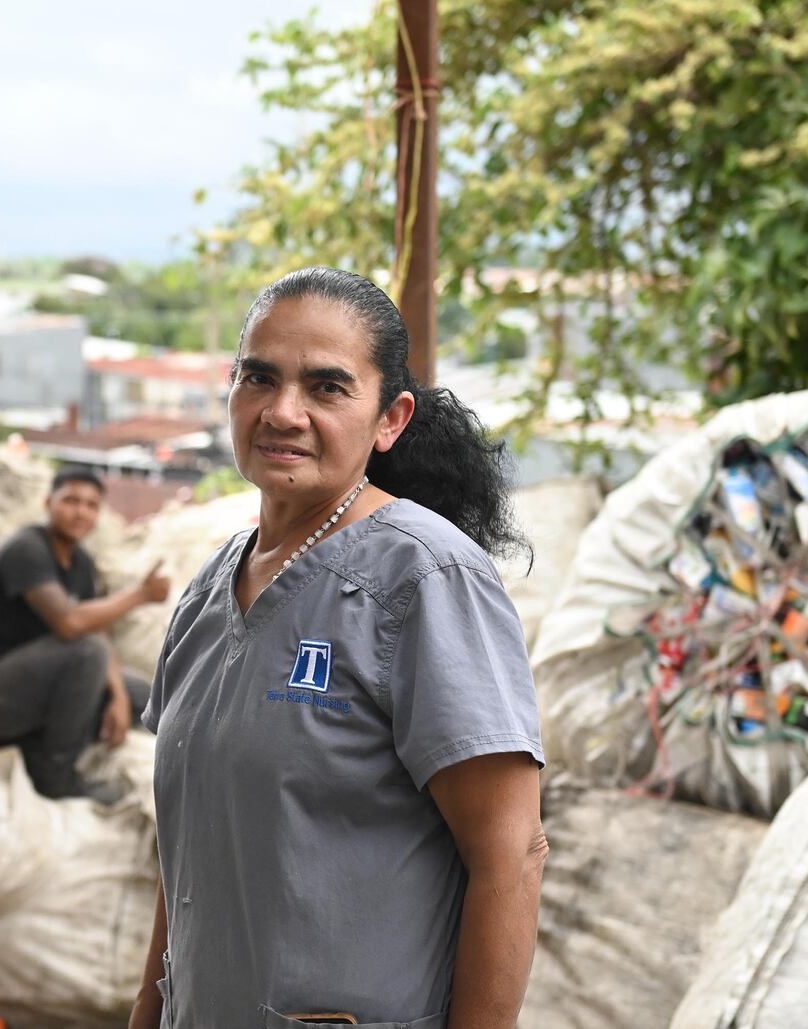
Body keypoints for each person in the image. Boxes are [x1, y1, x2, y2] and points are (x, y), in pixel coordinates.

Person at [129, 268, 548, 1029]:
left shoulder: (425, 579)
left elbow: (510, 854)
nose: (282, 412)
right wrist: (150, 1007)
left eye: (326, 387)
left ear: (390, 419)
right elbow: (192, 842)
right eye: (260, 378)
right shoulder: (207, 592)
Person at [0, 466, 171, 801]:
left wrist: (118, 697)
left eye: (91, 505)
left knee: (140, 693)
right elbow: (70, 624)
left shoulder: (81, 563)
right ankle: (54, 775)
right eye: (71, 501)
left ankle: (38, 746)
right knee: (88, 652)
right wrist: (141, 595)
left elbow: (98, 629)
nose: (81, 512)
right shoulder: (27, 549)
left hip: (35, 683)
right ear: (48, 503)